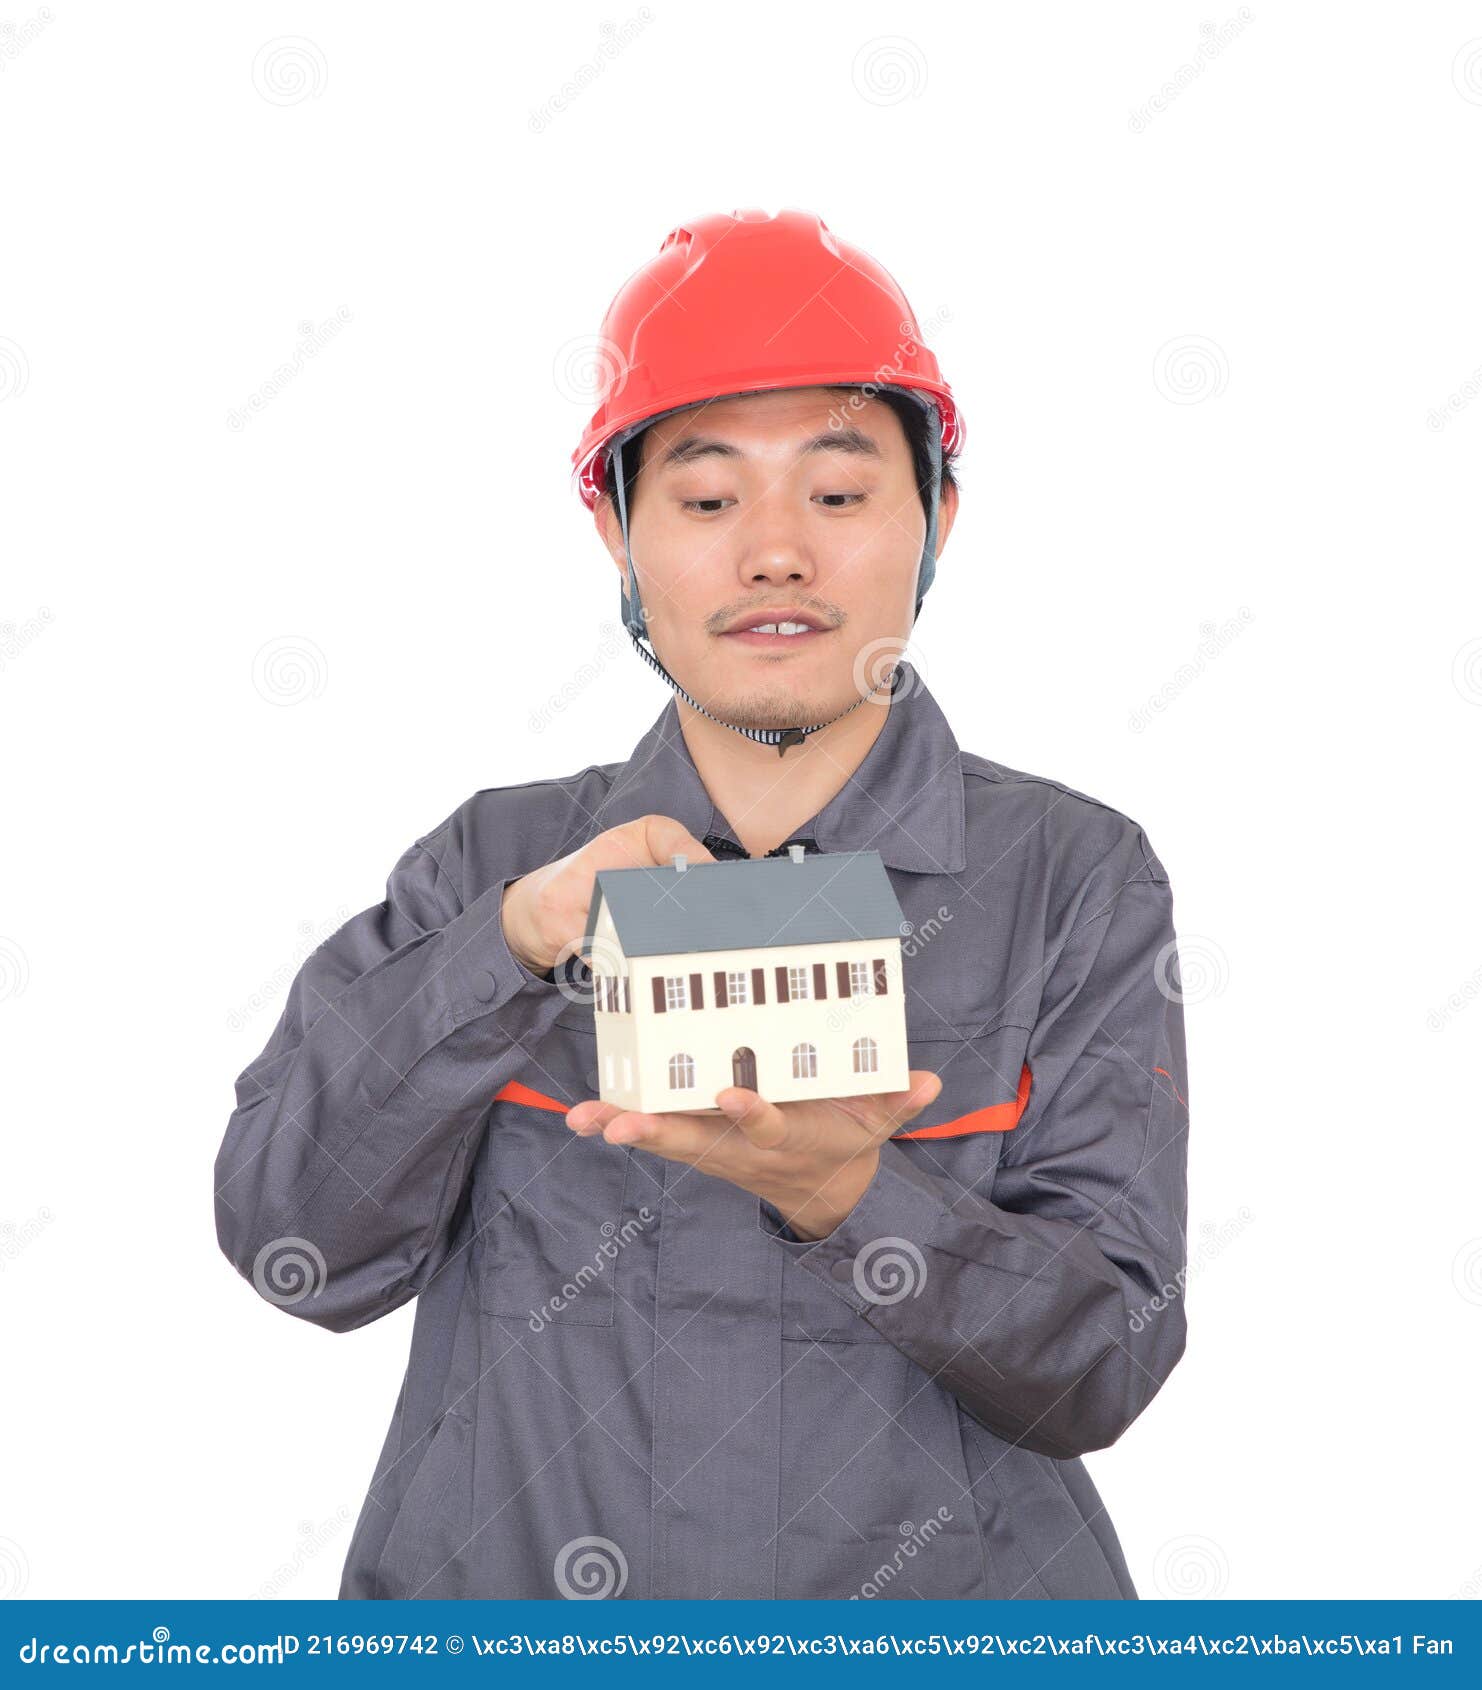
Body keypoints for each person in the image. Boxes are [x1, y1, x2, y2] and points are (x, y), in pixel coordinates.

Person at [213, 208, 1190, 1601]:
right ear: (615, 527)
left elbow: (1104, 1364)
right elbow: (295, 1251)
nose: (776, 552)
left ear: (937, 518)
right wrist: (512, 948)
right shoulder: (491, 862)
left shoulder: (1067, 878)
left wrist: (852, 1192)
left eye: (839, 494)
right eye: (707, 497)